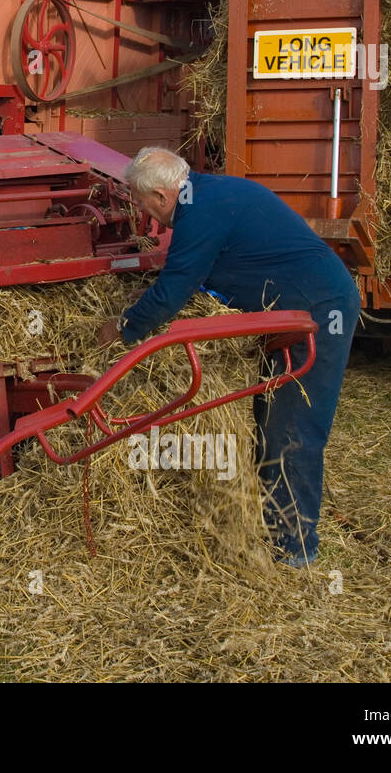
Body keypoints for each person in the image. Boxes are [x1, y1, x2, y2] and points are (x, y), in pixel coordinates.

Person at [99, 147, 360, 566]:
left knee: (293, 429)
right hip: (292, 315)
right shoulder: (207, 195)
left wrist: (124, 329)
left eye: (139, 200)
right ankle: (272, 530)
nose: (139, 209)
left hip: (317, 313)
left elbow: (173, 290)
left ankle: (296, 551)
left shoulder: (199, 213)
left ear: (162, 197)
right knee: (267, 422)